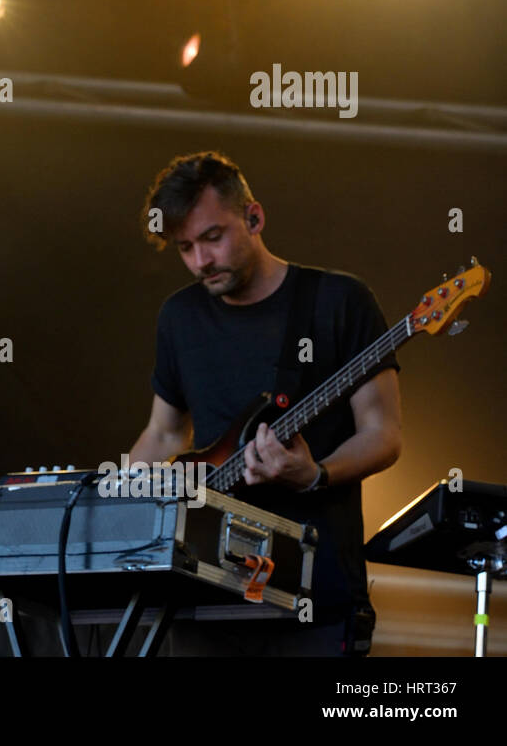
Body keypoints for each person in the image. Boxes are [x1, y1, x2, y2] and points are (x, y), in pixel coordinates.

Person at [128, 151, 402, 656]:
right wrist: (113, 501)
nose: (200, 261)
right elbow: (165, 434)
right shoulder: (180, 316)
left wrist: (315, 474)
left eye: (213, 237)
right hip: (204, 591)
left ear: (254, 217)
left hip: (313, 598)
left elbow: (383, 434)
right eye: (185, 247)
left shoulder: (339, 301)